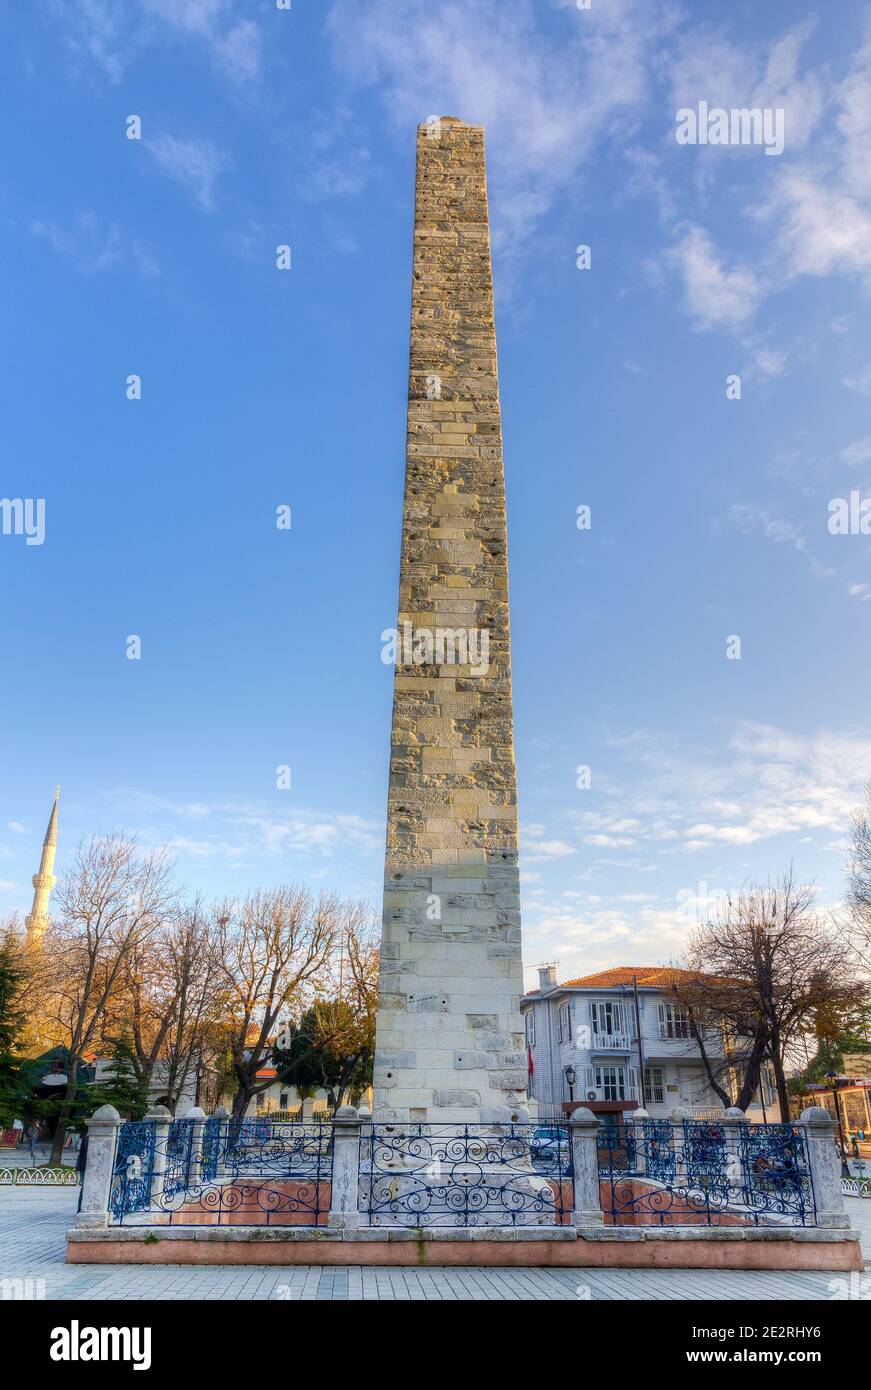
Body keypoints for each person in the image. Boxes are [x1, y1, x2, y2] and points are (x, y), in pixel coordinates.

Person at [75, 1130, 89, 1212]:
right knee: (85, 1187)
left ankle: (81, 1209)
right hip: (85, 1166)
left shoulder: (86, 1137)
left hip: (84, 1165)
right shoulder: (87, 1137)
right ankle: (80, 1209)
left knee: (84, 1187)